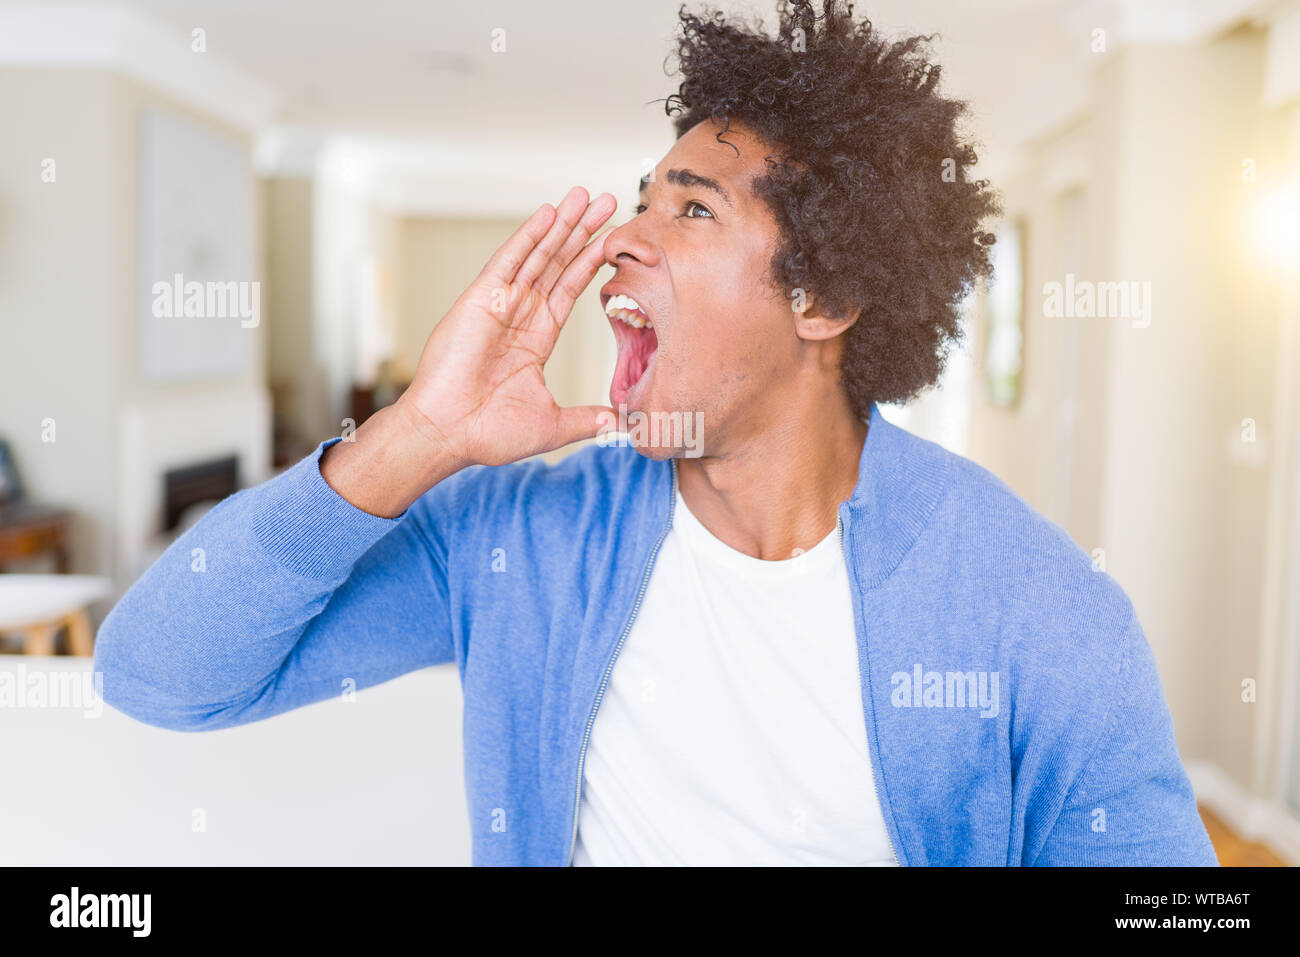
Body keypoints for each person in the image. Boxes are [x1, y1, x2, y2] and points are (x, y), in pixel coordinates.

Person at [94, 0, 1217, 866]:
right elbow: (161, 678)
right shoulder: (519, 534)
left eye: (690, 209)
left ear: (821, 299)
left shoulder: (1034, 603)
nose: (619, 241)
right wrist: (417, 434)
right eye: (642, 199)